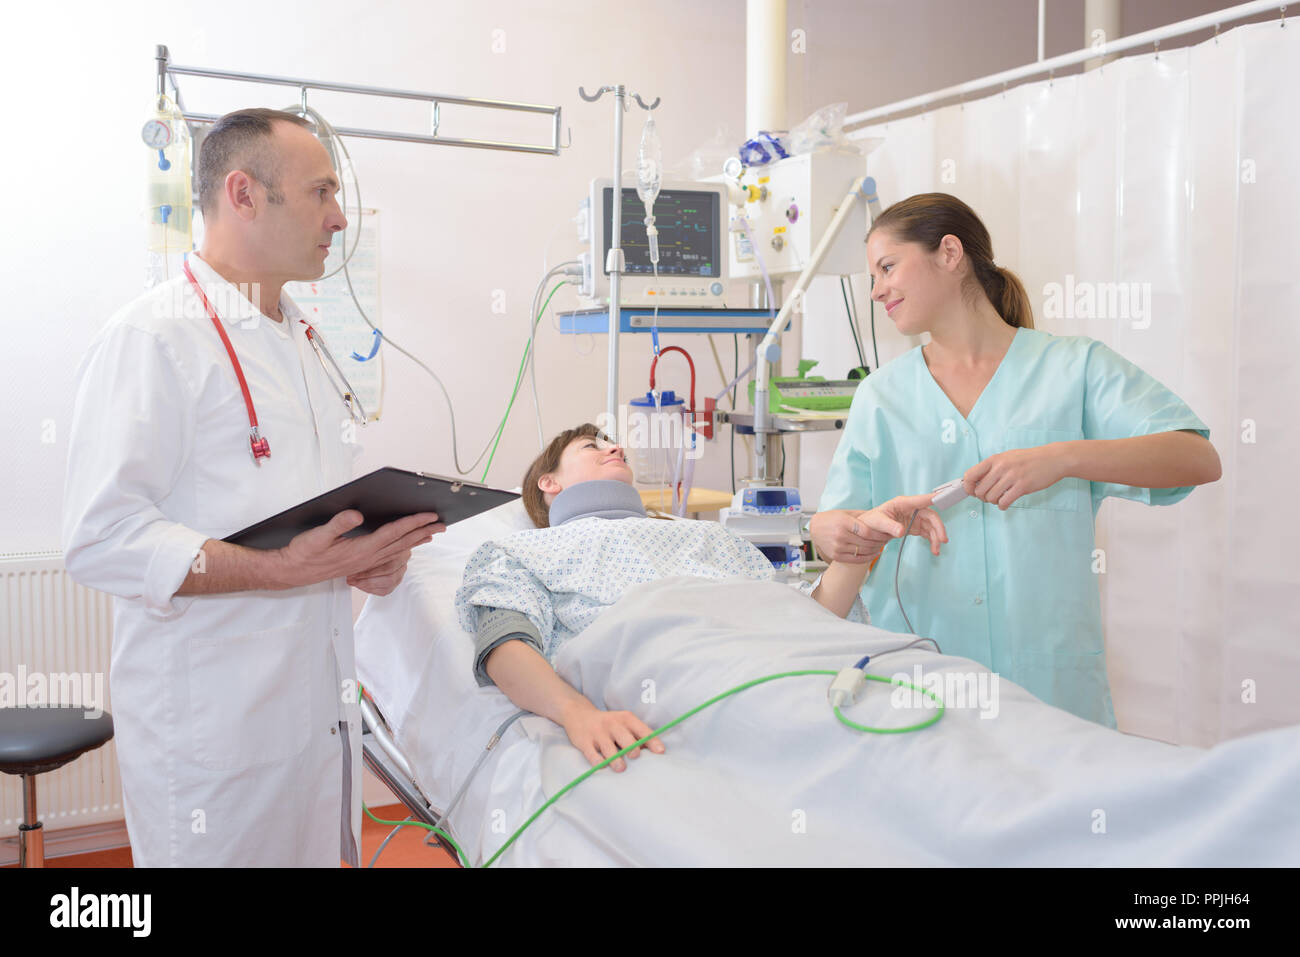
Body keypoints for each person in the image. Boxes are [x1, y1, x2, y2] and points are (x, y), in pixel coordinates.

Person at [62, 108, 443, 866]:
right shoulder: (153, 338)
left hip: (311, 723)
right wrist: (282, 569)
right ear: (243, 193)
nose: (339, 218)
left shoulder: (301, 337)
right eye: (321, 192)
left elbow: (317, 510)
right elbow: (100, 537)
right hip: (213, 740)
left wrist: (369, 554)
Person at [810, 192, 1221, 728]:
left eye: (887, 267)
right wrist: (835, 528)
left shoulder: (1073, 368)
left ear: (949, 252)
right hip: (921, 690)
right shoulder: (881, 396)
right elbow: (842, 555)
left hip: (1049, 691)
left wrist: (1063, 458)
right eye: (873, 276)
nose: (876, 291)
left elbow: (1197, 457)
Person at [455, 423, 945, 772]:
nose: (615, 446)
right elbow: (504, 644)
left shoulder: (706, 536)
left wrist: (861, 545)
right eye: (592, 444)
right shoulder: (520, 549)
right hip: (682, 672)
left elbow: (809, 619)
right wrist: (577, 714)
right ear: (549, 483)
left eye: (613, 441)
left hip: (785, 659)